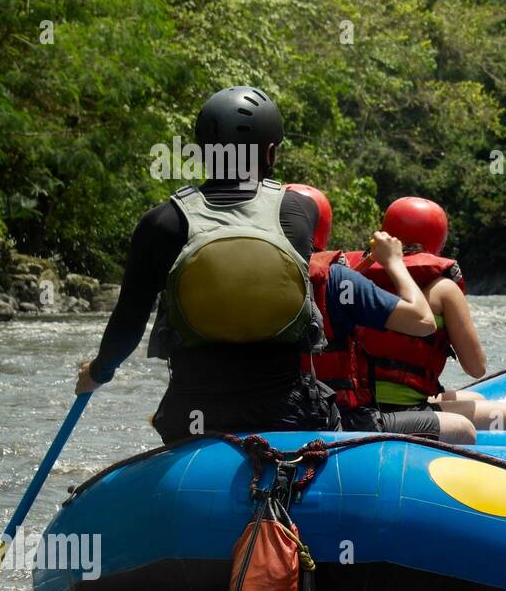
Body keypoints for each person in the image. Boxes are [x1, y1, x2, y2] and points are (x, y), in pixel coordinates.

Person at [75, 86, 339, 442]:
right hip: (288, 413)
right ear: (270, 153)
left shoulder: (161, 223)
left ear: (200, 151)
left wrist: (99, 371)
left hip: (192, 416)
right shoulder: (298, 211)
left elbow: (128, 321)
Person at [286, 185, 477, 443]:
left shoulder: (349, 275)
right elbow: (474, 366)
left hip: (293, 407)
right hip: (352, 414)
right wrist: (395, 263)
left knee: (472, 398)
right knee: (492, 419)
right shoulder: (340, 279)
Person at [352, 197, 506, 433]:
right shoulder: (444, 290)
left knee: (477, 398)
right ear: (438, 241)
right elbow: (476, 368)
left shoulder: (354, 280)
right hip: (403, 410)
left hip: (356, 406)